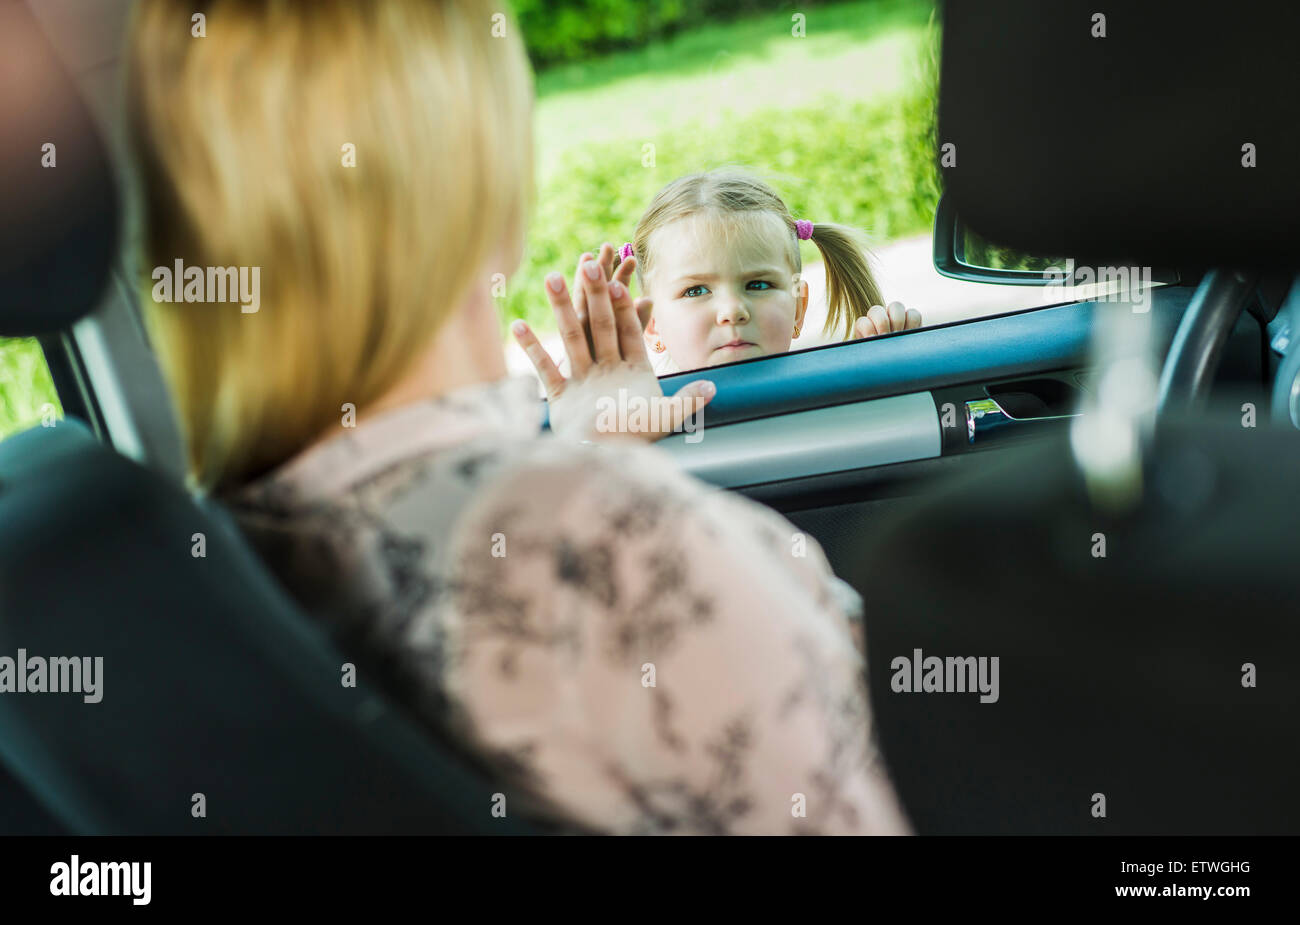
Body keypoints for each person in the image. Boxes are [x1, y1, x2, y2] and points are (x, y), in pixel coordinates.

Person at [126, 0, 911, 834]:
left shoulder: (185, 583)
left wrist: (579, 455)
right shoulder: (629, 553)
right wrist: (602, 483)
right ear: (486, 188)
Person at [580, 170, 922, 374]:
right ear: (651, 324)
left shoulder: (834, 398)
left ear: (798, 309)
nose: (732, 311)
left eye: (758, 284)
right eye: (696, 290)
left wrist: (888, 368)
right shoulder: (644, 425)